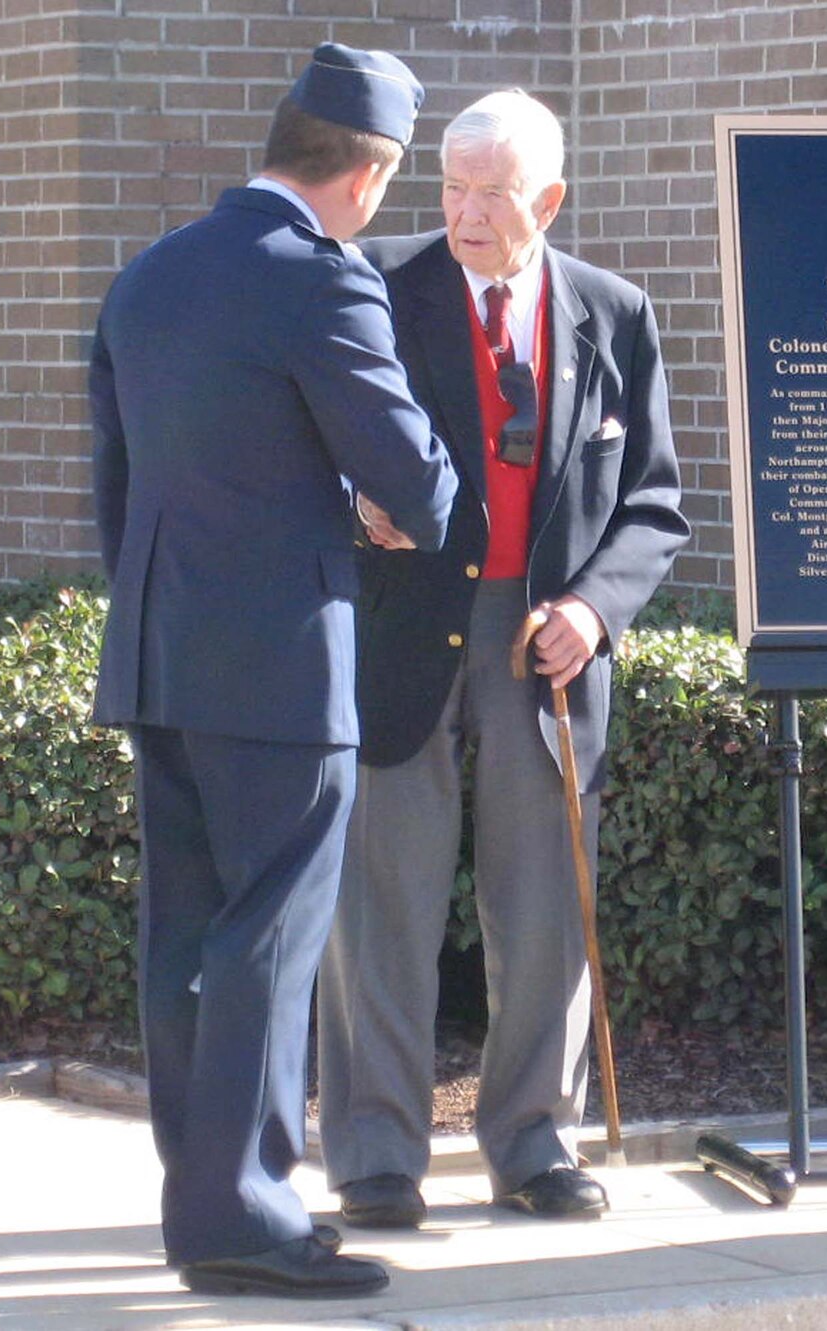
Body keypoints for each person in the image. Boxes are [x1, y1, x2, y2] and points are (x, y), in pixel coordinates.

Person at [90, 43, 458, 1296]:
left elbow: (118, 484)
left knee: (185, 943)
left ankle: (205, 1199)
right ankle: (243, 1212)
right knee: (269, 938)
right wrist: (395, 503)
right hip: (284, 666)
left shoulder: (150, 273)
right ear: (369, 173)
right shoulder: (323, 277)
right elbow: (415, 480)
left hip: (162, 650)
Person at [315, 87, 688, 1229]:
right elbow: (305, 444)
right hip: (400, 628)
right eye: (452, 187)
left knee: (544, 907)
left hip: (547, 645)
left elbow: (654, 501)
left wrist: (596, 610)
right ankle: (376, 1155)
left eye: (495, 193)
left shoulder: (613, 312)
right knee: (383, 902)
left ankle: (534, 1144)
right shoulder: (375, 283)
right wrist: (355, 504)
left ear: (551, 200)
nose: (466, 214)